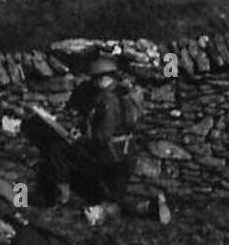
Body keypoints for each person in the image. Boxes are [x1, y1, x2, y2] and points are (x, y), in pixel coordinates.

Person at [30, 56, 169, 223]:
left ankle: (61, 199)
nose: (93, 83)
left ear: (103, 78)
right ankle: (149, 206)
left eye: (95, 79)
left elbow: (102, 137)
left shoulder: (108, 100)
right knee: (113, 197)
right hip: (124, 153)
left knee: (59, 150)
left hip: (110, 156)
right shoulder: (121, 93)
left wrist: (80, 139)